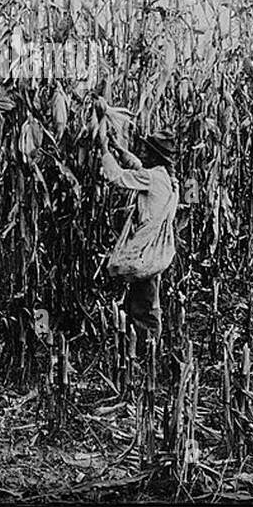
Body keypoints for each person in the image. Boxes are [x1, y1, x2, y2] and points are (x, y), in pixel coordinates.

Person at [97, 117, 179, 345]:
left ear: (154, 155)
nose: (142, 152)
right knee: (142, 295)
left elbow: (117, 177)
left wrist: (104, 150)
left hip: (146, 248)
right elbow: (137, 167)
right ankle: (140, 343)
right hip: (156, 249)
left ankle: (147, 347)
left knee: (145, 300)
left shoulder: (152, 178)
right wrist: (118, 148)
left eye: (146, 150)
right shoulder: (166, 177)